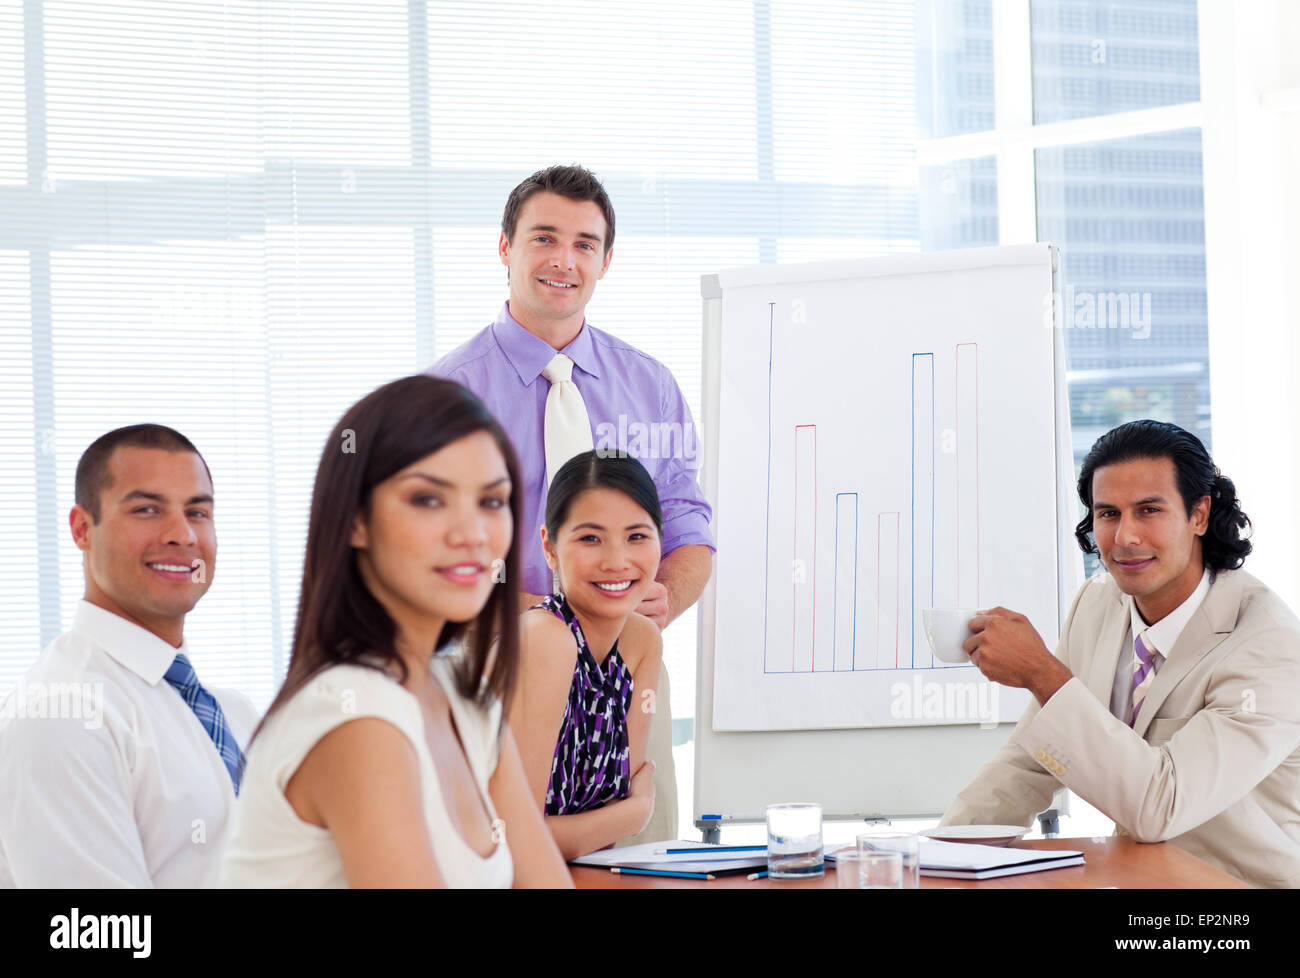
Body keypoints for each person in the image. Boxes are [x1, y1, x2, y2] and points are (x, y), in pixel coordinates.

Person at [430, 164, 714, 842]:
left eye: (585, 244)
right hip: (493, 669)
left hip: (625, 670)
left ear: (606, 260)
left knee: (642, 856)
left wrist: (660, 598)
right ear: (506, 247)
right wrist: (540, 618)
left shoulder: (650, 385)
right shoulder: (443, 397)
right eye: (544, 238)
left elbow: (689, 529)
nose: (564, 260)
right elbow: (421, 559)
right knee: (505, 851)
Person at [220, 376, 571, 888]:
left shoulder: (468, 703)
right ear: (355, 521)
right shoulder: (354, 714)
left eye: (492, 502)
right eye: (429, 499)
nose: (471, 533)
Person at [941, 420, 1300, 887]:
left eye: (1148, 510)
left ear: (1199, 514)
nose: (1124, 537)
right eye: (1108, 514)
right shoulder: (1097, 603)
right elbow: (1030, 762)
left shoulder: (1268, 644)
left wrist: (1041, 673)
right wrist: (935, 858)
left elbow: (1161, 806)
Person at [0, 424, 258, 887]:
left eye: (197, 512)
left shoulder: (236, 715)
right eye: (147, 509)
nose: (182, 535)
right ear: (82, 529)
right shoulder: (60, 715)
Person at [511, 451, 663, 859]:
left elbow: (602, 830)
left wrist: (622, 816)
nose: (616, 561)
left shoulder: (642, 641)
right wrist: (637, 814)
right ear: (550, 547)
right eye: (590, 538)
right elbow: (516, 842)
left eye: (637, 536)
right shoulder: (544, 637)